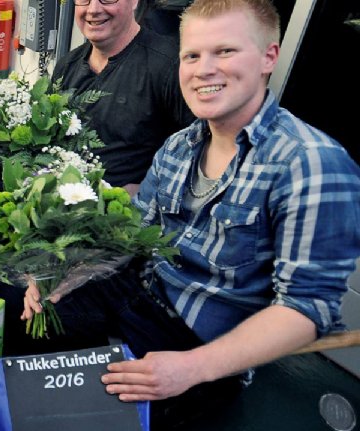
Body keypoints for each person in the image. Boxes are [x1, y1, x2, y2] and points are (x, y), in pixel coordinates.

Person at [20, 0, 360, 426]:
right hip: (138, 294)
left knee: (87, 418)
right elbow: (133, 232)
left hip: (198, 347)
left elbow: (307, 309)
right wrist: (70, 273)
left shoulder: (311, 163)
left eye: (225, 51)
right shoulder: (180, 146)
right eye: (192, 55)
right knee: (26, 321)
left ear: (268, 57)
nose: (204, 70)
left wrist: (188, 369)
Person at [52, 0, 194, 193]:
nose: (93, 9)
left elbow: (202, 155)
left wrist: (147, 192)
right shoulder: (66, 66)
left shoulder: (169, 67)